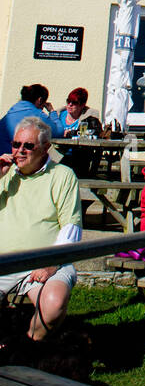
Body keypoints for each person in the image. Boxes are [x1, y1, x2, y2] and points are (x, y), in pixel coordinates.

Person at [0, 116, 82, 343]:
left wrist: (52, 263)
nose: (20, 151)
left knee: (53, 304)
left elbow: (71, 225)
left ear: (46, 148)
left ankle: (27, 347)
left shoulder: (62, 175)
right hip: (3, 261)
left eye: (28, 146)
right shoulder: (4, 174)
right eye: (16, 145)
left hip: (44, 261)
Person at [0, 84, 62, 156]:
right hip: (17, 159)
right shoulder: (37, 115)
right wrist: (52, 111)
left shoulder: (10, 113)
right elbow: (59, 132)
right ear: (40, 100)